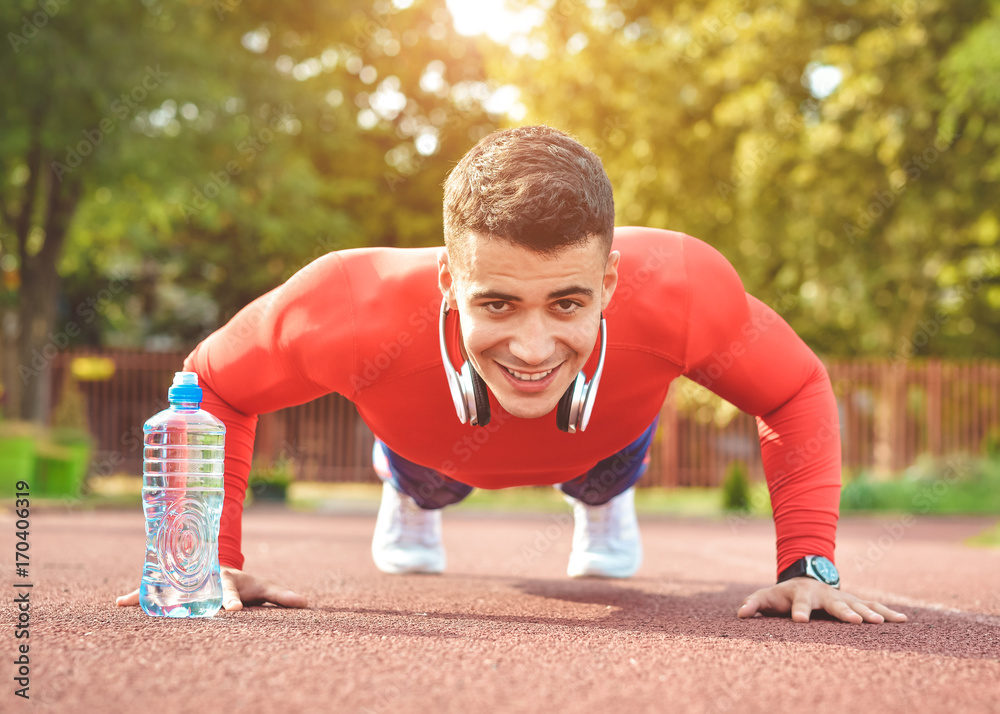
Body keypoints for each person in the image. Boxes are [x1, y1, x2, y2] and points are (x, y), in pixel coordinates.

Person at [118, 125, 907, 625]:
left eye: (567, 302)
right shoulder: (345, 304)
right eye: (495, 302)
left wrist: (809, 565)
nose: (533, 347)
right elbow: (209, 387)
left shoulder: (684, 287)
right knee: (428, 477)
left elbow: (794, 387)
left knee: (607, 470)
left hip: (606, 442)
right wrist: (206, 560)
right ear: (445, 285)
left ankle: (600, 505)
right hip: (429, 450)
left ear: (610, 283)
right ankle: (409, 496)